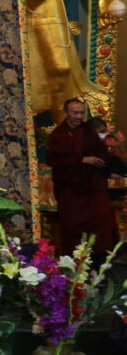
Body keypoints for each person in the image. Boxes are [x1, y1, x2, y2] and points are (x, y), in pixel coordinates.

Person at [49, 98, 118, 250]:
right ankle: (75, 267)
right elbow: (55, 161)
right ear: (66, 113)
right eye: (75, 113)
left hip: (92, 188)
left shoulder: (88, 133)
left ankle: (99, 263)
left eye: (81, 113)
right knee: (73, 227)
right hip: (71, 189)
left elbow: (101, 154)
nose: (79, 117)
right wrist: (80, 160)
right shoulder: (57, 135)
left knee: (102, 221)